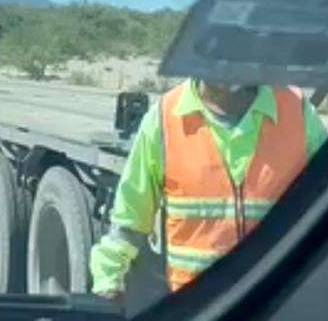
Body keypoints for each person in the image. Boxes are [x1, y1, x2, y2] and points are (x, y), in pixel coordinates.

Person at [90, 78, 327, 299]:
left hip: (279, 301)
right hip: (200, 306)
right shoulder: (164, 119)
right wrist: (107, 285)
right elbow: (129, 223)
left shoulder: (296, 111)